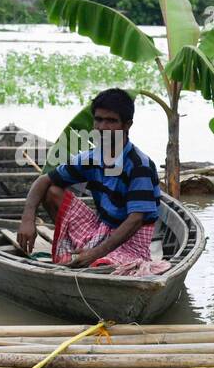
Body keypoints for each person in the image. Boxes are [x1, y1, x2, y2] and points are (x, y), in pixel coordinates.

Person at [16, 89, 161, 269]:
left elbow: (136, 219)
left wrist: (95, 253)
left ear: (127, 125)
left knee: (102, 264)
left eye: (111, 121)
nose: (102, 127)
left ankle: (89, 255)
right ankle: (78, 250)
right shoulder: (92, 157)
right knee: (52, 191)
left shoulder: (139, 165)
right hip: (102, 227)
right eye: (98, 119)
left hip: (132, 238)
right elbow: (43, 180)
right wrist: (27, 219)